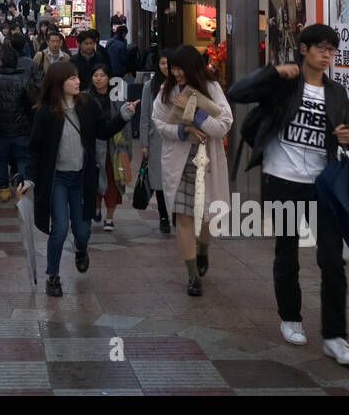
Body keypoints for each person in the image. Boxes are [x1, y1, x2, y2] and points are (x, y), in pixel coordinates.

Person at [227, 24, 349, 365]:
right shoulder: (284, 83)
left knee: (332, 258)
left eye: (332, 49)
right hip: (282, 179)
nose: (327, 54)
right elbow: (237, 92)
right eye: (320, 48)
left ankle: (335, 336)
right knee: (287, 251)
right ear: (303, 49)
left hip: (323, 183)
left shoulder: (336, 91)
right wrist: (272, 71)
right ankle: (290, 317)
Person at [21, 61, 134, 298]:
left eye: (77, 78)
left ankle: (81, 250)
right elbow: (35, 149)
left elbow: (103, 131)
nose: (78, 81)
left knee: (82, 229)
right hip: (58, 179)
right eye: (72, 78)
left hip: (82, 178)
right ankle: (53, 276)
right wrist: (29, 179)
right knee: (60, 228)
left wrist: (123, 115)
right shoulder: (46, 112)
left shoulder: (87, 105)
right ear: (59, 82)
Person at [152, 46, 233, 297]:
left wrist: (196, 114)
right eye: (172, 67)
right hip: (180, 162)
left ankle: (203, 250)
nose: (175, 72)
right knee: (183, 217)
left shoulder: (212, 89)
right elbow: (159, 122)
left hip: (206, 161)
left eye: (179, 67)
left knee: (209, 214)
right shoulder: (166, 92)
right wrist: (183, 131)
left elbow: (224, 124)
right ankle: (192, 275)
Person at [0, 45, 32, 202]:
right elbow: (29, 104)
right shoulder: (23, 80)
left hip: (0, 128)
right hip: (21, 128)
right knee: (22, 159)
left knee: (2, 158)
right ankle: (21, 187)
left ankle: (4, 188)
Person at [87, 64, 129, 229]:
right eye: (95, 75)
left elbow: (125, 123)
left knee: (113, 181)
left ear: (109, 78)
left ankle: (110, 217)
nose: (98, 78)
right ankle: (96, 208)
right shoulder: (86, 97)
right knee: (94, 179)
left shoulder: (117, 97)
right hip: (93, 146)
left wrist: (126, 147)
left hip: (113, 147)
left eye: (102, 75)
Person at [138, 53, 173, 234]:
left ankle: (174, 213)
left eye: (168, 62)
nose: (165, 66)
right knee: (158, 180)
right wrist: (144, 143)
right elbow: (144, 117)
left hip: (177, 139)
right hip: (156, 139)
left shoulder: (181, 85)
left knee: (174, 178)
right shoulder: (149, 87)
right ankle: (163, 216)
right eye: (162, 63)